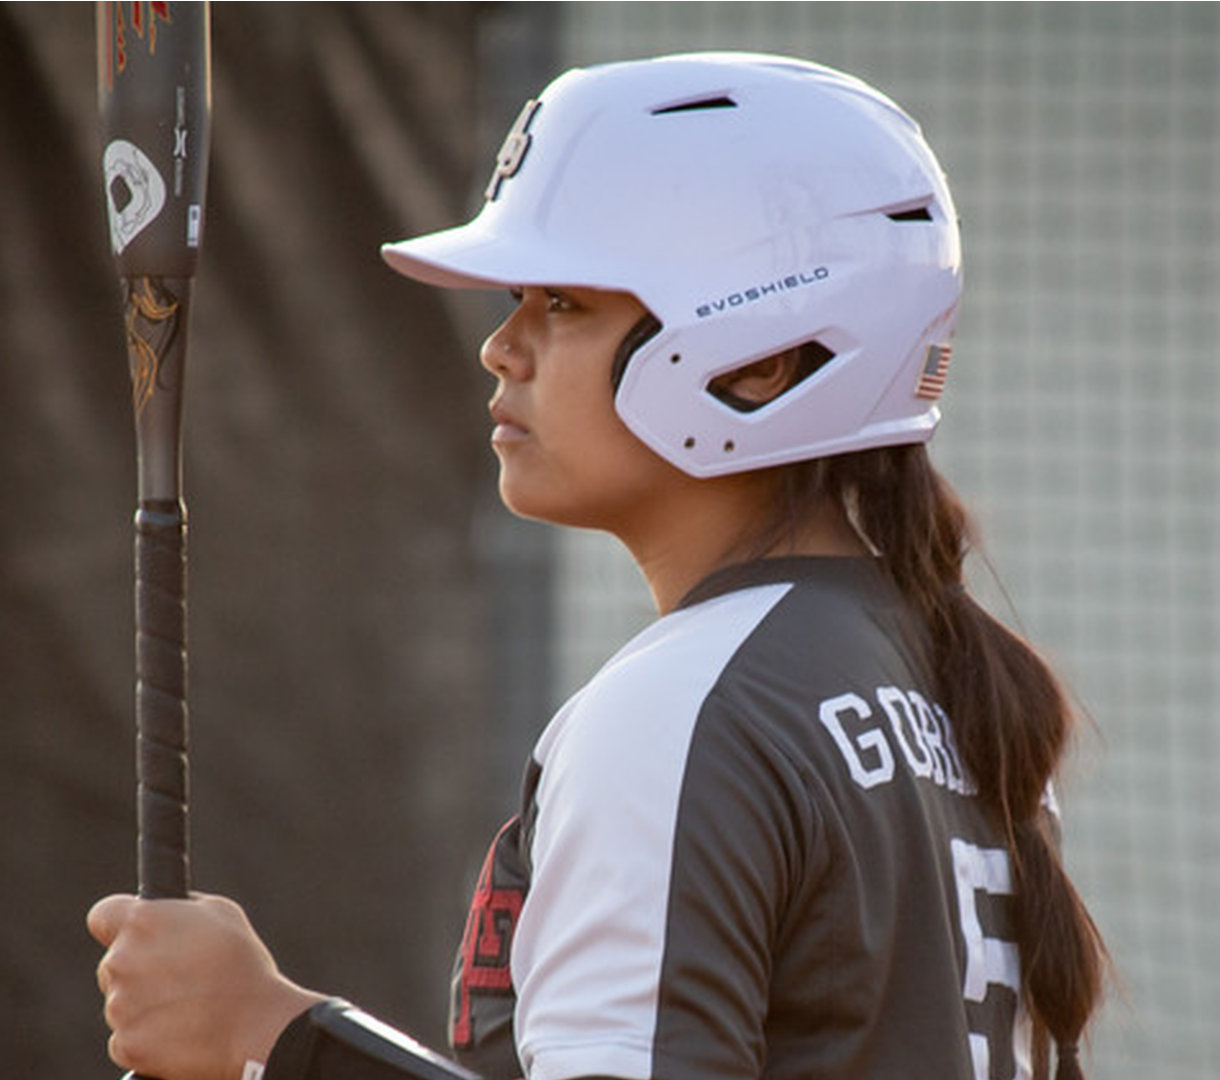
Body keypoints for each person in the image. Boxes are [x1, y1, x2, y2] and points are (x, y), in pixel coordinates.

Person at [89, 51, 1107, 1080]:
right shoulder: (958, 688)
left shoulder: (686, 712)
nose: (502, 346)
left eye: (563, 304)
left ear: (758, 354)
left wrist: (267, 1039)